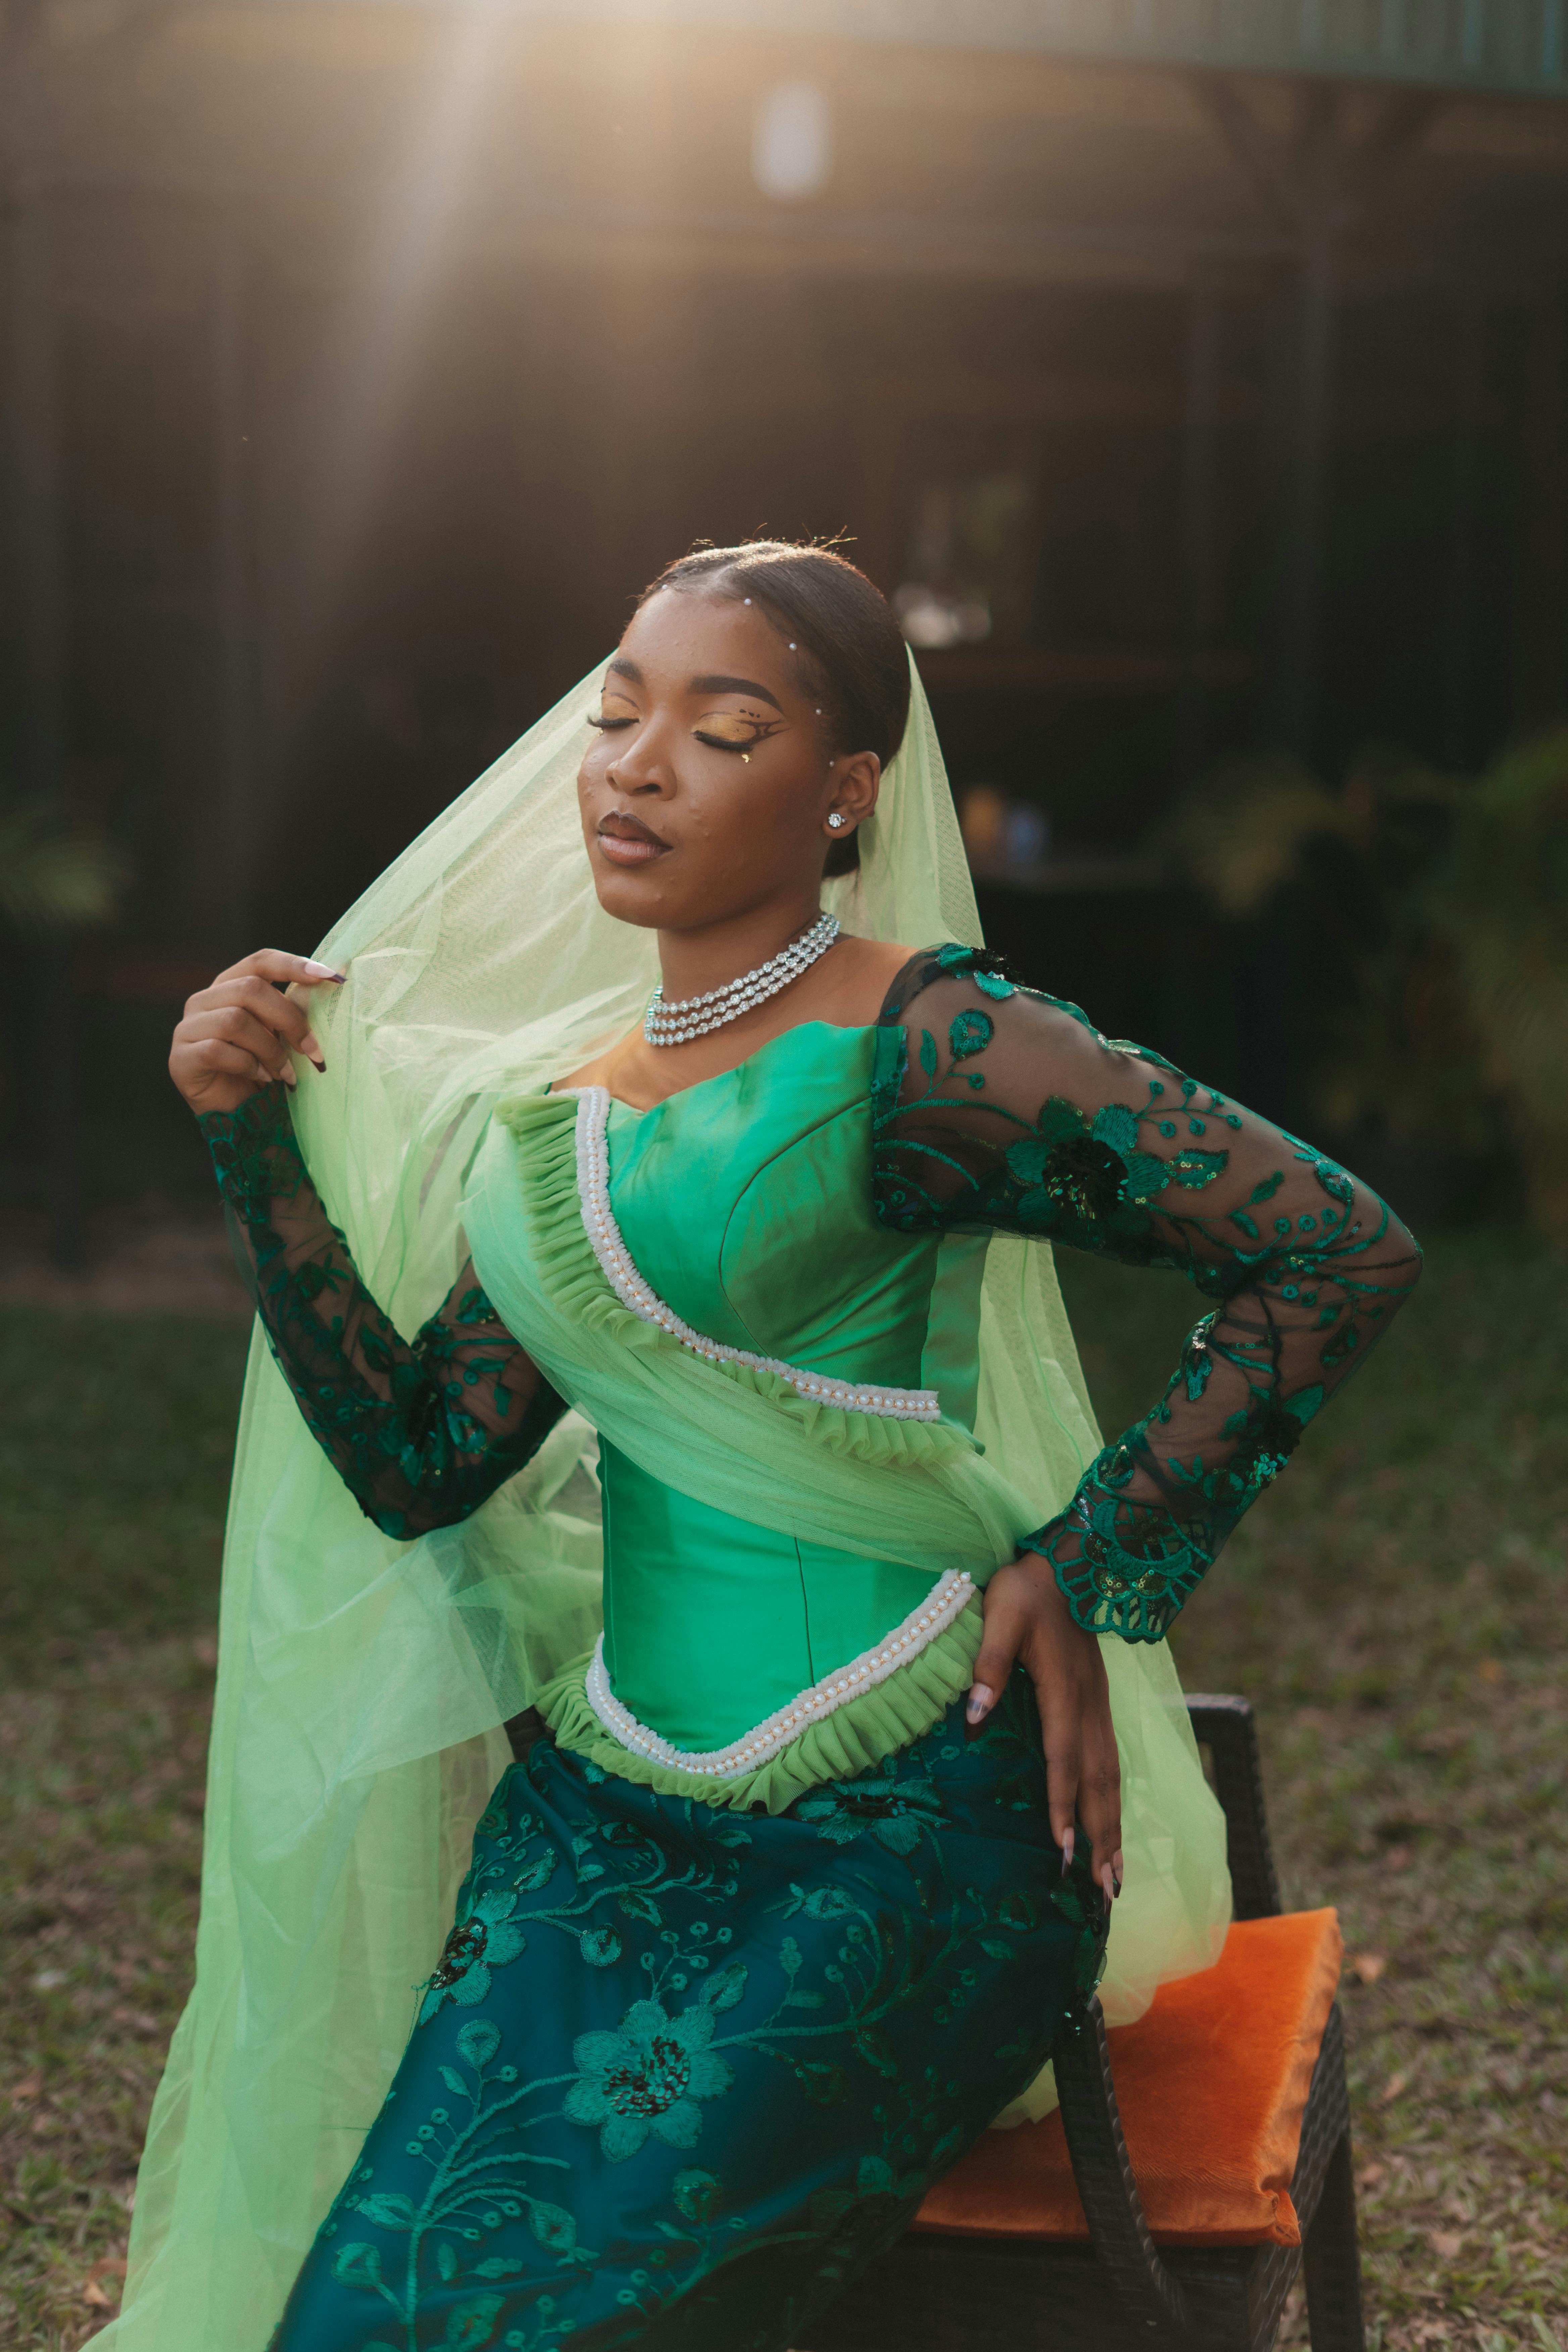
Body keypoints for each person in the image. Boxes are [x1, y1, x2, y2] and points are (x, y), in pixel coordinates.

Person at [119, 542, 1419, 2352]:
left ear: (843, 796)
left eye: (720, 731)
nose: (635, 767)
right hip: (604, 1819)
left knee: (618, 2308)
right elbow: (422, 1460)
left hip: (910, 1824)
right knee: (368, 2313)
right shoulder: (552, 1127)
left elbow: (1331, 1247)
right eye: (615, 717)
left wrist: (1088, 1560)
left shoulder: (930, 1045)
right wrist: (249, 1143)